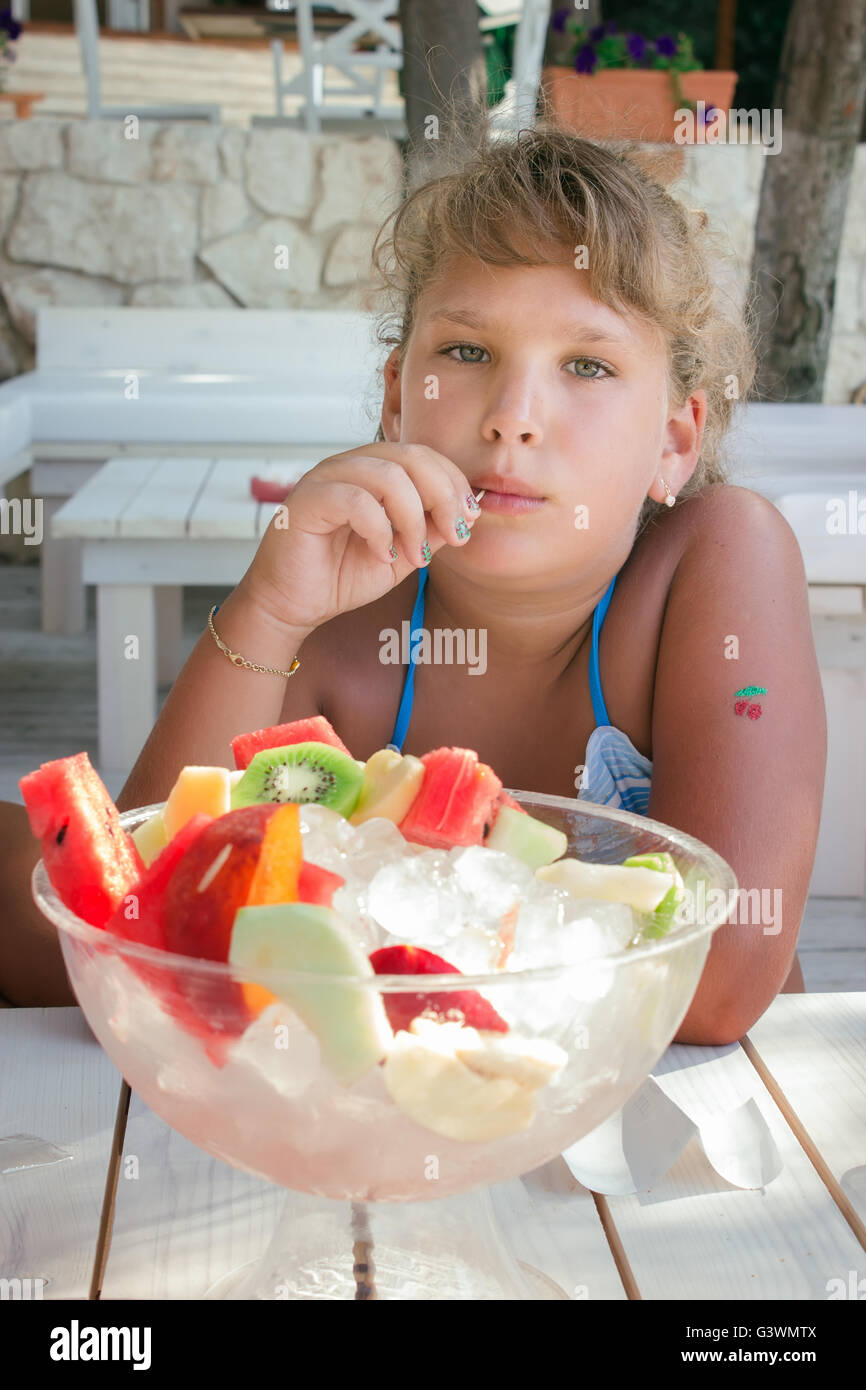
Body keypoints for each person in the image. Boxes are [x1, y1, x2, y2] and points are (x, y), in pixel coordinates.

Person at [4, 125, 824, 1035]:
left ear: (675, 441)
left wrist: (334, 967)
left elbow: (717, 980)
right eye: (467, 353)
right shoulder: (336, 621)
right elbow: (137, 933)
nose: (513, 419)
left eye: (586, 365)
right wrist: (270, 611)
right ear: (398, 398)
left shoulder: (716, 559)